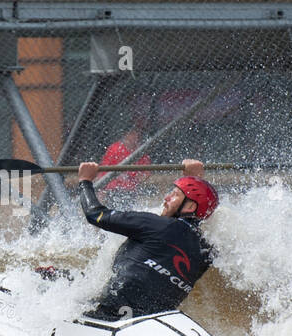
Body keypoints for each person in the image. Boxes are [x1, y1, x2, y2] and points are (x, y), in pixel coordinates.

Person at [75, 157, 219, 321]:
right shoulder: (205, 252)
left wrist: (85, 180)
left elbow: (96, 214)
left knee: (48, 275)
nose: (166, 198)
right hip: (149, 323)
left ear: (190, 206)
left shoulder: (155, 224)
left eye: (174, 195)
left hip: (108, 311)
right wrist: (195, 181)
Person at [99, 123, 152, 193]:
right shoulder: (114, 149)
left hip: (131, 189)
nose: (135, 137)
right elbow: (103, 171)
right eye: (132, 134)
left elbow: (146, 173)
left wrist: (137, 178)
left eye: (137, 135)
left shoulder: (140, 152)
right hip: (113, 188)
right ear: (126, 136)